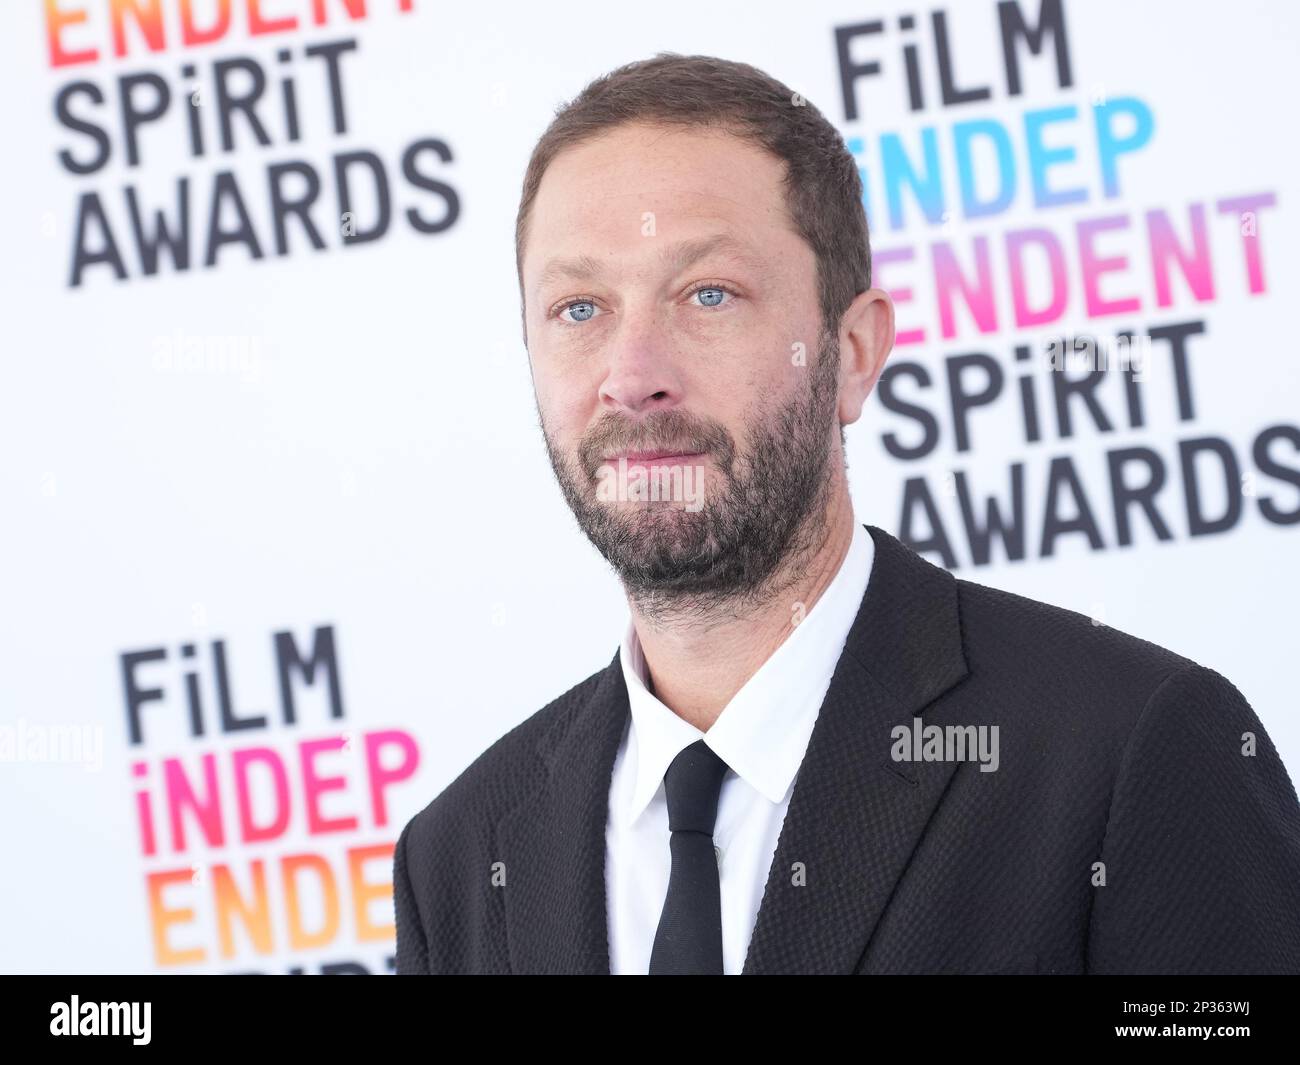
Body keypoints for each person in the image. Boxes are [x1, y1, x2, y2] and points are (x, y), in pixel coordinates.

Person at [393, 52, 1300, 974]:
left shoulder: (1131, 753)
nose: (632, 377)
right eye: (578, 307)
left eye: (709, 294)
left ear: (855, 351)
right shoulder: (460, 863)